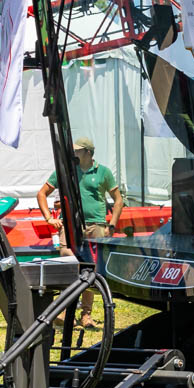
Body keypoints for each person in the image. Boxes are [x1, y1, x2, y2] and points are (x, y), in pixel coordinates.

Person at [38, 136, 123, 330]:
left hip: (97, 225)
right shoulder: (66, 171)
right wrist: (49, 218)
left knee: (91, 270)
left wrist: (113, 225)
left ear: (88, 152)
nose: (73, 153)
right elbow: (42, 193)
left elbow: (118, 199)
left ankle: (85, 315)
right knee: (70, 261)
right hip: (70, 224)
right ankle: (62, 311)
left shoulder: (103, 172)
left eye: (77, 150)